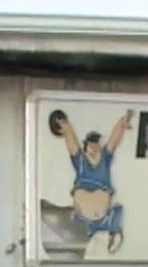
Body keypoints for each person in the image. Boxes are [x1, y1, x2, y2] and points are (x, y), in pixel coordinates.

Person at [51, 108, 132, 253]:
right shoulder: (80, 161)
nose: (94, 149)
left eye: (97, 146)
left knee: (116, 216)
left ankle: (113, 237)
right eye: (90, 146)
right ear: (85, 148)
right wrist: (65, 126)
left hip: (103, 220)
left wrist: (121, 124)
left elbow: (113, 141)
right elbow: (72, 143)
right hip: (80, 221)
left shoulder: (105, 161)